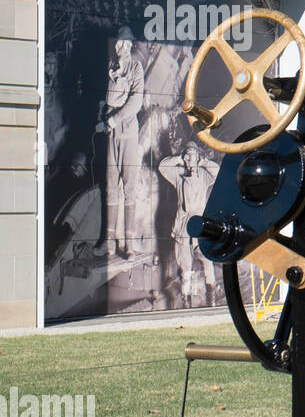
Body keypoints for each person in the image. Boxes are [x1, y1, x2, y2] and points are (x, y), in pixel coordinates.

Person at [93, 27, 144, 258]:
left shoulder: (135, 67)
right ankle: (110, 242)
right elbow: (107, 97)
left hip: (127, 132)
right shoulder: (111, 66)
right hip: (110, 133)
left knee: (129, 189)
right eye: (118, 43)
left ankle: (129, 245)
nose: (121, 47)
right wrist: (102, 117)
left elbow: (136, 100)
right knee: (110, 186)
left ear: (131, 45)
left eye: (125, 44)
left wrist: (116, 119)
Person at [158, 141, 220, 306]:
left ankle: (211, 296)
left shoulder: (204, 175)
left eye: (193, 155)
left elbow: (218, 172)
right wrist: (179, 158)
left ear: (198, 156)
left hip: (201, 223)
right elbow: (163, 167)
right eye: (187, 155)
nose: (189, 159)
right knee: (185, 264)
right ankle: (186, 300)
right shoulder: (179, 175)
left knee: (207, 260)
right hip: (183, 223)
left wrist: (203, 162)